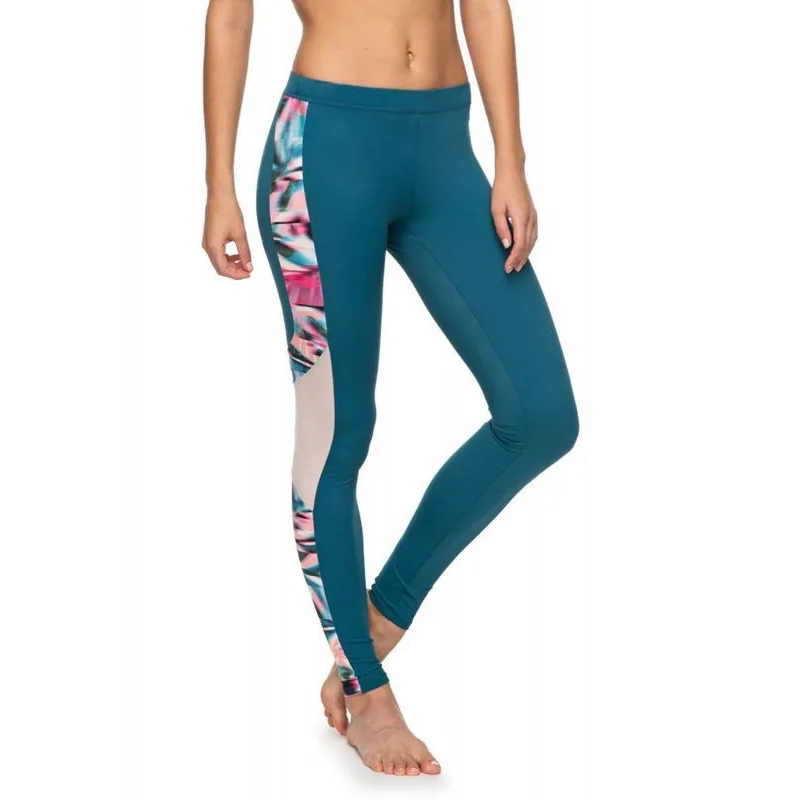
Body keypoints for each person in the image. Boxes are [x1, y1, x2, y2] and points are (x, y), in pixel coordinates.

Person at [202, 0, 578, 776]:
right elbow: (231, 15)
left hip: (445, 148)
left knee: (541, 415)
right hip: (324, 152)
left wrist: (510, 160)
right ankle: (367, 694)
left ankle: (375, 616)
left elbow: (484, 4)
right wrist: (218, 185)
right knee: (339, 432)